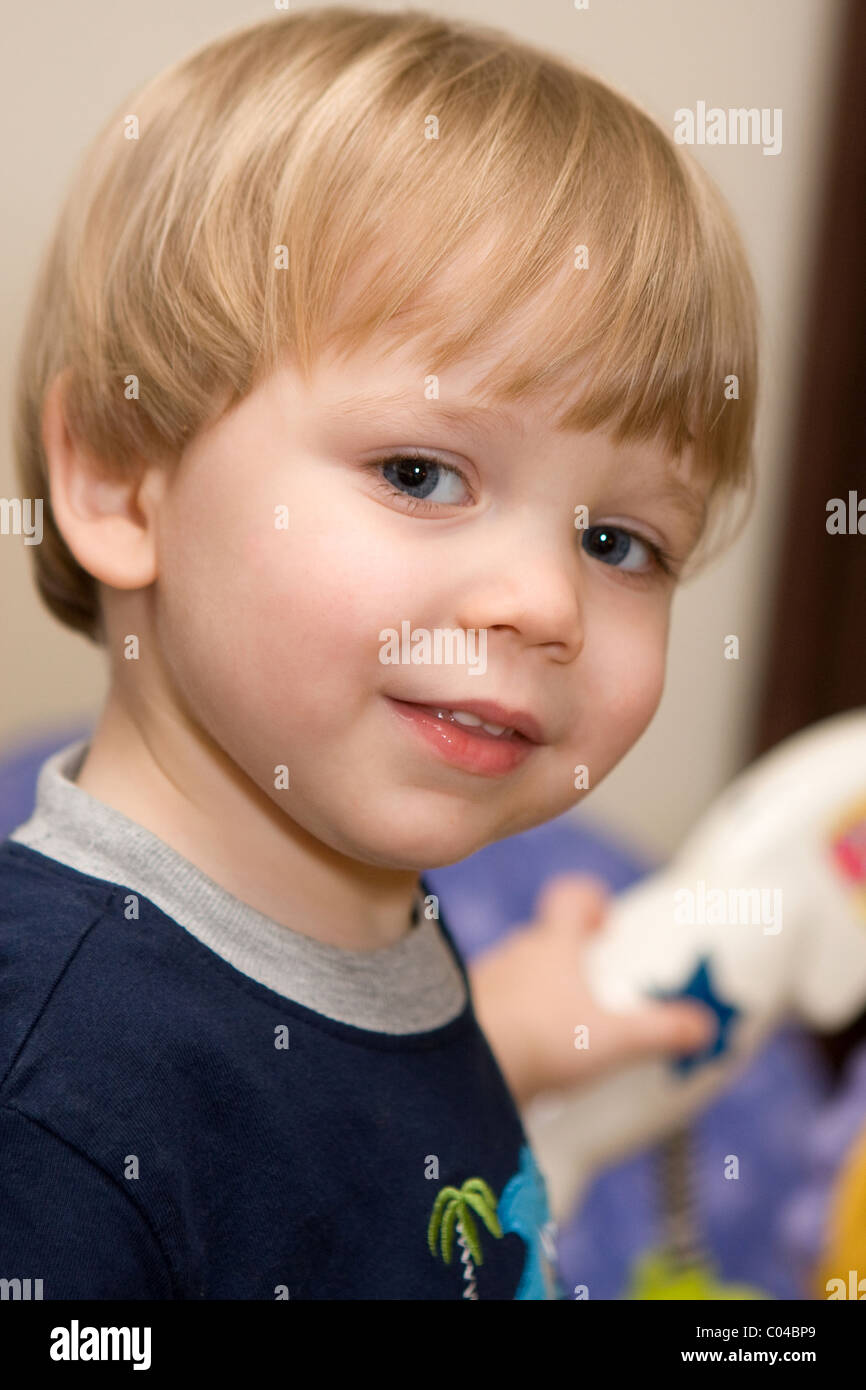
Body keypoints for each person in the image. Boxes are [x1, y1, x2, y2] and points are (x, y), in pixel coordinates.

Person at [0, 5, 755, 1299]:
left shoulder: (362, 923)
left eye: (620, 542)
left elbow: (304, 1155)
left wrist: (498, 1043)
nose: (543, 602)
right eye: (420, 471)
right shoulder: (49, 1090)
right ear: (124, 480)